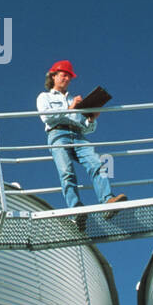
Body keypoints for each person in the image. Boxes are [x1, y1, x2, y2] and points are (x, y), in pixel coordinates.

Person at [37, 60, 126, 230]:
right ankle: (77, 211)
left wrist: (91, 119)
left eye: (69, 77)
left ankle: (108, 201)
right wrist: (70, 108)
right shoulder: (44, 97)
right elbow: (46, 117)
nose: (67, 79)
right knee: (66, 172)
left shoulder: (73, 98)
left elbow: (86, 129)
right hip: (58, 134)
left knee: (97, 163)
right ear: (53, 76)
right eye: (64, 75)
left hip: (77, 135)